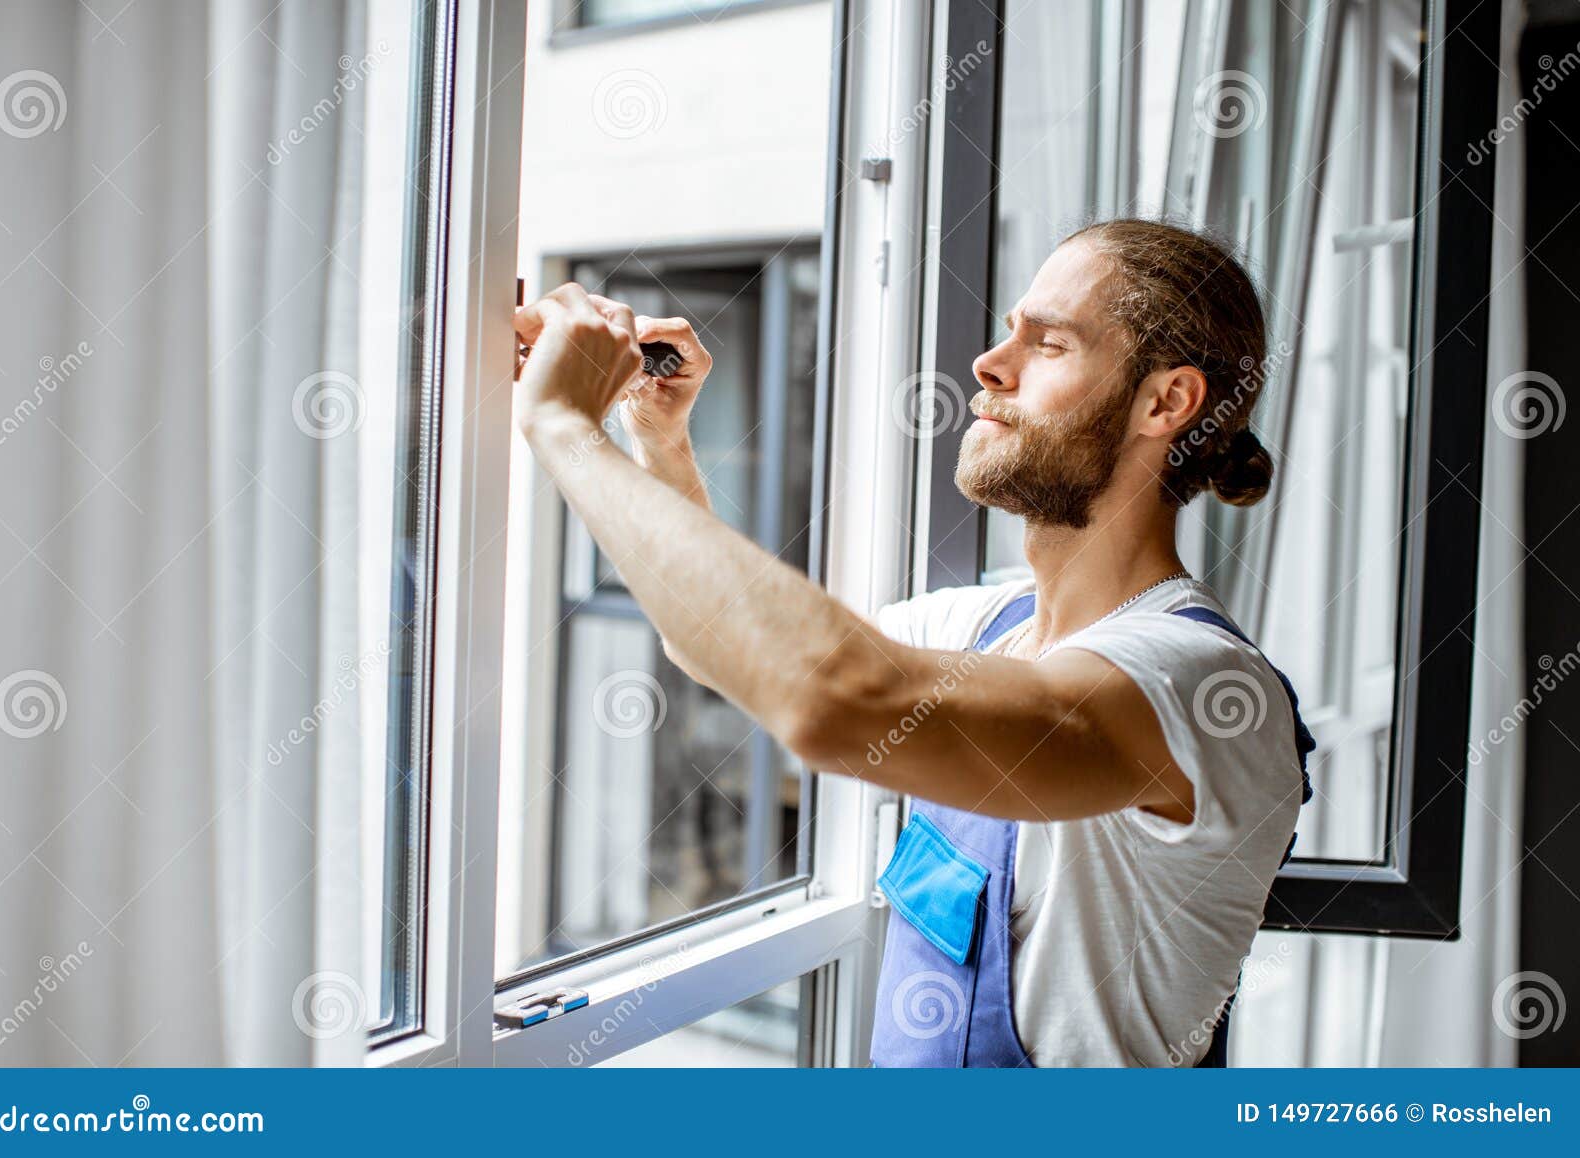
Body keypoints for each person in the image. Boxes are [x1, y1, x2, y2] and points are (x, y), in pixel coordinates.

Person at [512, 218, 1312, 1067]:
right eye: (1010, 331)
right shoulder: (981, 626)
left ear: (1166, 402)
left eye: (1047, 344)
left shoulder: (1201, 686)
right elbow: (718, 643)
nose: (990, 367)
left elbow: (834, 702)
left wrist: (565, 428)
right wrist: (660, 441)